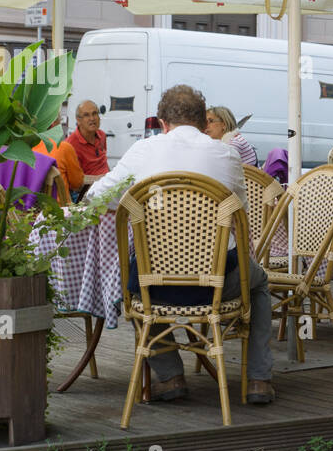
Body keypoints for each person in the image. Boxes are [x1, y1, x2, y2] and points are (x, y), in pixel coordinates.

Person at [86, 85, 275, 405]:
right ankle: (257, 379)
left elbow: (96, 198)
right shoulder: (225, 153)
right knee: (258, 282)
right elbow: (239, 208)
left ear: (162, 123)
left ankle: (171, 374)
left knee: (142, 273)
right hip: (215, 286)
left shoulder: (142, 151)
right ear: (203, 123)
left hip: (154, 288)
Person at [35, 119, 84, 202]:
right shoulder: (63, 148)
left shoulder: (26, 150)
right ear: (52, 125)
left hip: (31, 210)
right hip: (60, 210)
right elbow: (77, 184)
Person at [64, 100, 109, 182]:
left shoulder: (102, 135)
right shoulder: (70, 145)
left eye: (94, 113)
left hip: (107, 185)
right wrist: (101, 180)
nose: (92, 118)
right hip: (87, 190)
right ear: (78, 120)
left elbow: (104, 163)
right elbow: (76, 181)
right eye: (86, 115)